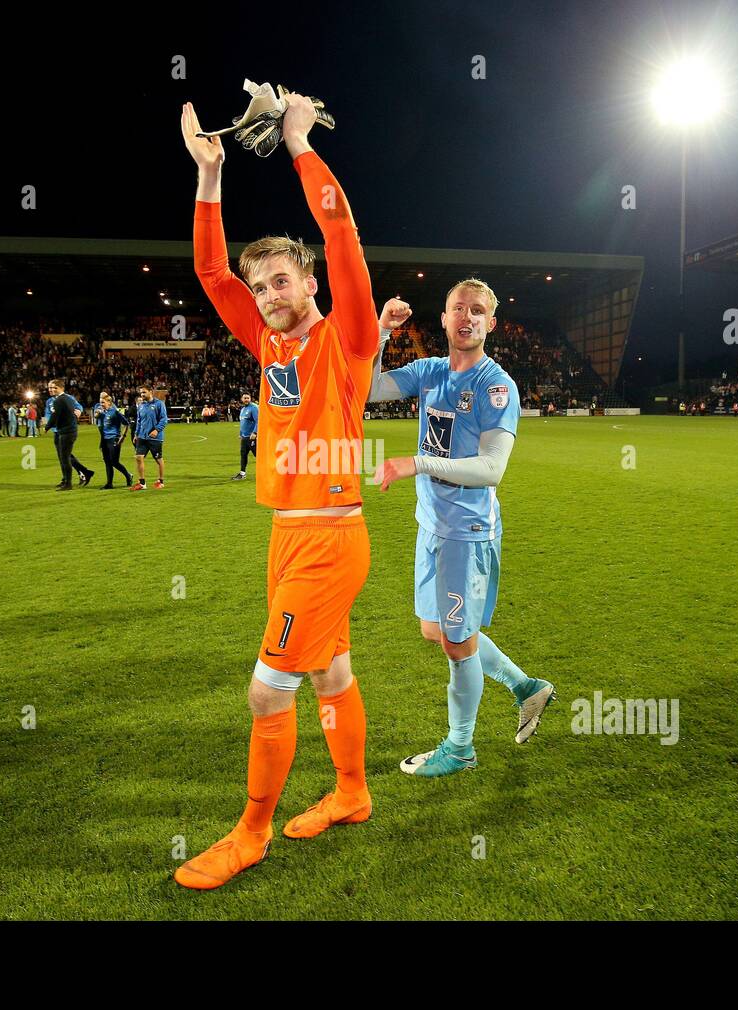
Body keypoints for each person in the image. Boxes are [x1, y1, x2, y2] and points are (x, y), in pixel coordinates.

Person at [174, 93, 376, 889]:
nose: (266, 295)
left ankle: (251, 833)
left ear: (309, 281)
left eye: (281, 280)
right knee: (331, 675)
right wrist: (210, 175)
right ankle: (353, 792)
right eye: (260, 287)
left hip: (329, 541)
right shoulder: (266, 339)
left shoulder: (347, 336)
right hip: (289, 533)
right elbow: (209, 270)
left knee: (266, 691)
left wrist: (297, 144)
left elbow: (340, 230)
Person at [369, 283, 554, 778]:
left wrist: (417, 463)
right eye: (458, 309)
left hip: (465, 532)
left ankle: (461, 747)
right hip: (430, 525)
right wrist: (382, 333)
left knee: (457, 642)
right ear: (445, 320)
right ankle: (525, 686)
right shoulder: (430, 371)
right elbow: (370, 388)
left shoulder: (498, 387)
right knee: (436, 630)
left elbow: (492, 469)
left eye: (478, 311)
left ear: (491, 324)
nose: (467, 318)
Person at [43, 379, 93, 490]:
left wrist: (75, 416)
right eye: (49, 387)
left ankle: (75, 476)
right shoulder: (49, 401)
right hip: (57, 431)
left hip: (65, 430)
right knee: (63, 457)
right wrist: (49, 423)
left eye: (53, 387)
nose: (50, 390)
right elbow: (48, 414)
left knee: (65, 457)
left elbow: (78, 407)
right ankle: (68, 477)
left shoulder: (68, 398)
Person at [131, 385, 168, 491]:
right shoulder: (141, 405)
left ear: (151, 392)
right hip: (142, 437)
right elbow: (139, 421)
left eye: (144, 392)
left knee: (158, 459)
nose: (142, 395)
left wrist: (156, 430)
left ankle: (160, 481)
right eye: (141, 393)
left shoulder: (159, 404)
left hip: (155, 438)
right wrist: (136, 434)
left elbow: (164, 419)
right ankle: (142, 483)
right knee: (139, 457)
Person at [94, 392, 134, 488]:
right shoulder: (102, 413)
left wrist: (122, 437)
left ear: (109, 403)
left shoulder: (115, 412)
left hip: (114, 439)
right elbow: (99, 425)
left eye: (103, 402)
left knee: (114, 462)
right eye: (100, 402)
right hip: (105, 439)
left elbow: (126, 423)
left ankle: (128, 475)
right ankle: (109, 483)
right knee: (107, 461)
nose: (101, 405)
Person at [232, 392, 258, 480]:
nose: (246, 399)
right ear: (242, 399)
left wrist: (255, 433)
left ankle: (268, 472)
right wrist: (240, 434)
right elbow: (243, 423)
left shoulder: (254, 408)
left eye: (247, 398)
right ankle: (242, 473)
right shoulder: (243, 409)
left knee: (259, 456)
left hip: (252, 438)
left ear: (250, 398)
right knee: (243, 455)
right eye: (244, 398)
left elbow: (259, 421)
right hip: (244, 437)